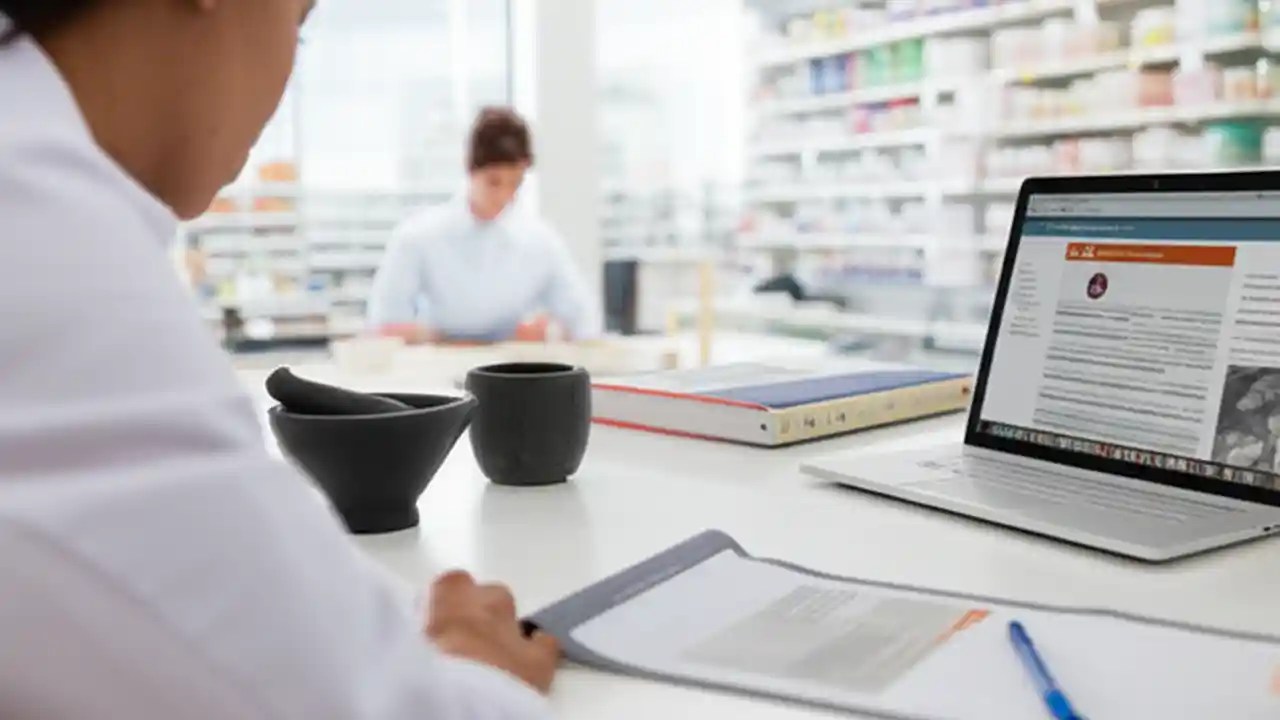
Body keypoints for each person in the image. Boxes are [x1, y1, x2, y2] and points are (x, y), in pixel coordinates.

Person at [0, 2, 559, 719]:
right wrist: (456, 673)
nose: (287, 69)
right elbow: (333, 699)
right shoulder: (46, 247)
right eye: (296, 22)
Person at [368, 108, 599, 343]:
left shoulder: (539, 241)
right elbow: (384, 326)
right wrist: (444, 338)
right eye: (494, 182)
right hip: (439, 368)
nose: (504, 196)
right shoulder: (418, 237)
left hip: (511, 370)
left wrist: (550, 331)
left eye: (515, 183)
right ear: (470, 170)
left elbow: (582, 320)